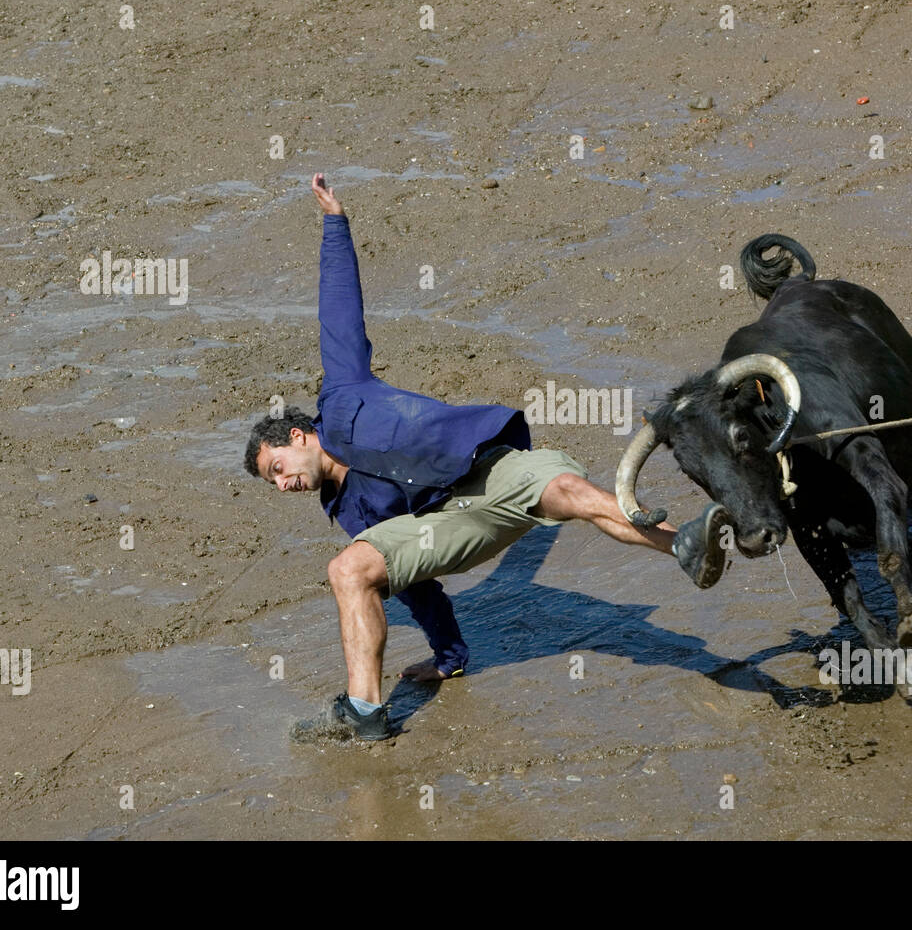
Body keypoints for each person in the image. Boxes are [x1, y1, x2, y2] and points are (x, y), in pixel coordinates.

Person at [244, 173, 731, 741]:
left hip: (491, 471)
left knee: (573, 492)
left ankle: (688, 548)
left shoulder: (343, 391)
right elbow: (415, 582)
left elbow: (338, 312)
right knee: (348, 568)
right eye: (270, 482)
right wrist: (449, 654)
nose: (281, 484)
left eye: (275, 467)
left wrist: (334, 223)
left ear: (299, 436)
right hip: (450, 527)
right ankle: (366, 711)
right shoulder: (348, 512)